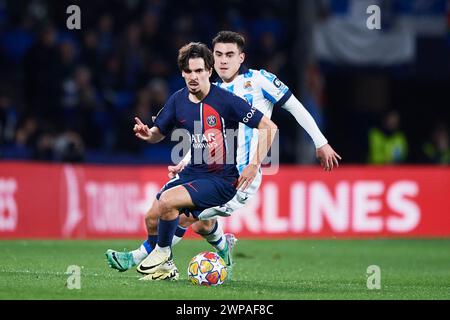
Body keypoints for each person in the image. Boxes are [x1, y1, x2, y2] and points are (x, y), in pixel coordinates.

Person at [106, 31, 341, 279]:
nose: (223, 61)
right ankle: (221, 245)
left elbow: (295, 107)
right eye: (218, 54)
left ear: (241, 58)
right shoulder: (208, 90)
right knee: (192, 219)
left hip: (241, 176)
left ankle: (139, 258)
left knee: (182, 215)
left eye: (230, 55)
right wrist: (184, 162)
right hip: (204, 169)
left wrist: (320, 142)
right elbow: (206, 137)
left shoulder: (259, 81)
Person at [106, 41, 278, 280]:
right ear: (182, 73)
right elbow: (159, 132)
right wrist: (149, 135)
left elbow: (269, 126)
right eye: (189, 71)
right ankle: (167, 267)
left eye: (199, 71)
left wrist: (253, 165)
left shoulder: (226, 100)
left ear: (209, 71)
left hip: (221, 180)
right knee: (152, 218)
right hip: (192, 173)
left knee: (168, 202)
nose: (194, 76)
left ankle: (162, 255)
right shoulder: (178, 100)